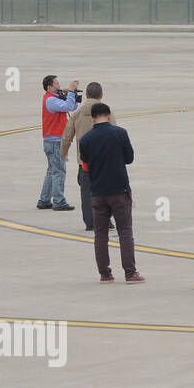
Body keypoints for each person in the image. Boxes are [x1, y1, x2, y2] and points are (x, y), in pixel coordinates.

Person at [77, 103, 143, 283]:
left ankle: (105, 273)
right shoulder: (120, 133)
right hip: (119, 189)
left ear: (92, 118)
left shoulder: (85, 140)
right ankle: (130, 273)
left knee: (100, 234)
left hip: (97, 191)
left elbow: (85, 166)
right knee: (125, 232)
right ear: (108, 115)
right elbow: (129, 159)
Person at [60, 82, 114, 231]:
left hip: (84, 162)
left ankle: (90, 222)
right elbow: (115, 133)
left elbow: (67, 137)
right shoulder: (106, 112)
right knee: (106, 191)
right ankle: (106, 220)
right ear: (101, 96)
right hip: (104, 161)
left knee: (86, 192)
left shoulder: (77, 113)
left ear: (86, 95)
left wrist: (63, 153)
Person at [38, 74, 81, 212]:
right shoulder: (50, 100)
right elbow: (67, 105)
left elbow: (71, 107)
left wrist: (72, 95)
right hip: (55, 141)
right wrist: (71, 92)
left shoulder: (53, 98)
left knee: (52, 171)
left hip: (52, 140)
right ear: (49, 87)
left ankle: (44, 200)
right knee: (59, 172)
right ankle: (59, 201)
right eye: (56, 84)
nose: (59, 86)